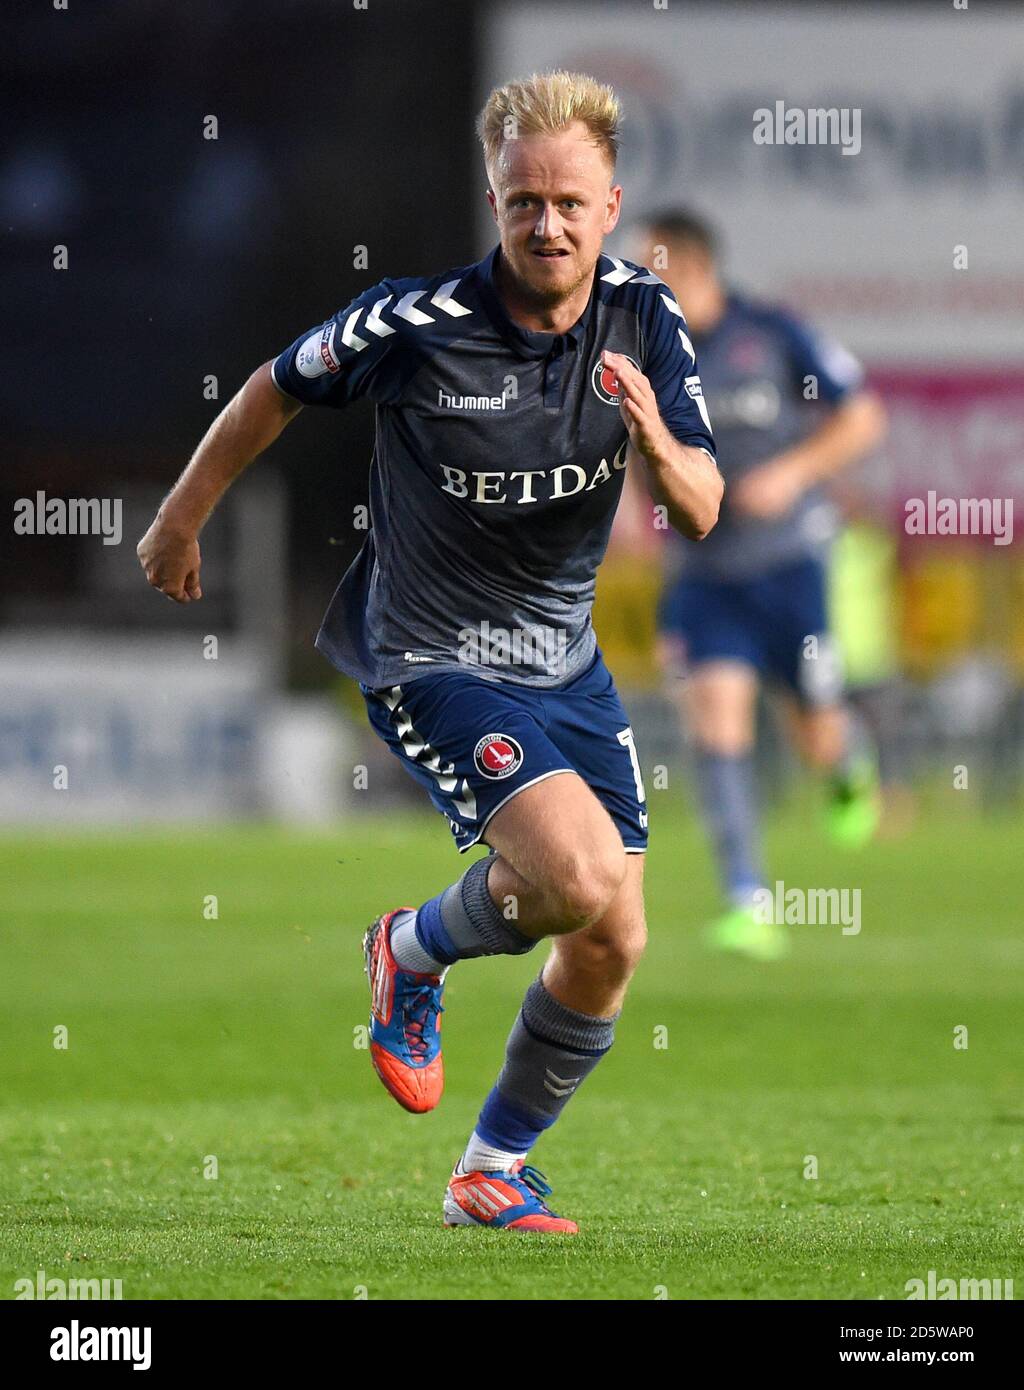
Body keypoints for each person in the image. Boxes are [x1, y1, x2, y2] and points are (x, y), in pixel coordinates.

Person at [137, 73, 722, 1233]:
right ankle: (407, 948)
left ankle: (487, 1170)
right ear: (493, 203)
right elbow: (272, 389)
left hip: (563, 662)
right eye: (520, 203)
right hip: (428, 652)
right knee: (574, 879)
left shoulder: (646, 318)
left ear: (610, 205)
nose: (544, 225)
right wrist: (178, 517)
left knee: (612, 941)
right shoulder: (417, 325)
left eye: (566, 202)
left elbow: (702, 509)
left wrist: (652, 432)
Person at [632, 210, 887, 962]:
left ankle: (849, 760)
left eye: (645, 263)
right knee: (716, 720)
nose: (631, 276)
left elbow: (862, 415)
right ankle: (748, 898)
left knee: (814, 725)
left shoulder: (772, 332)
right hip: (706, 575)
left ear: (689, 263)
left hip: (789, 564)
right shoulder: (646, 350)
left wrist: (793, 474)